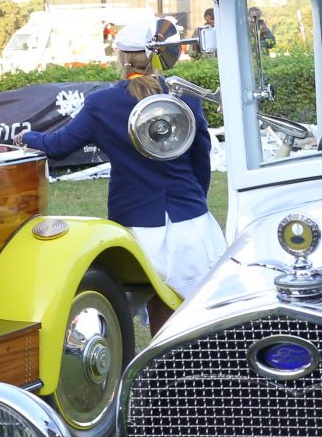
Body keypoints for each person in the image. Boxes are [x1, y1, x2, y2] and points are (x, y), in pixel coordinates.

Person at [20, 20, 224, 298]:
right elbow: (201, 157)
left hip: (137, 223)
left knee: (153, 303)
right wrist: (196, 198)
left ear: (123, 58)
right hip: (191, 220)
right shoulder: (186, 97)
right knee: (200, 307)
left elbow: (58, 146)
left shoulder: (101, 104)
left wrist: (27, 138)